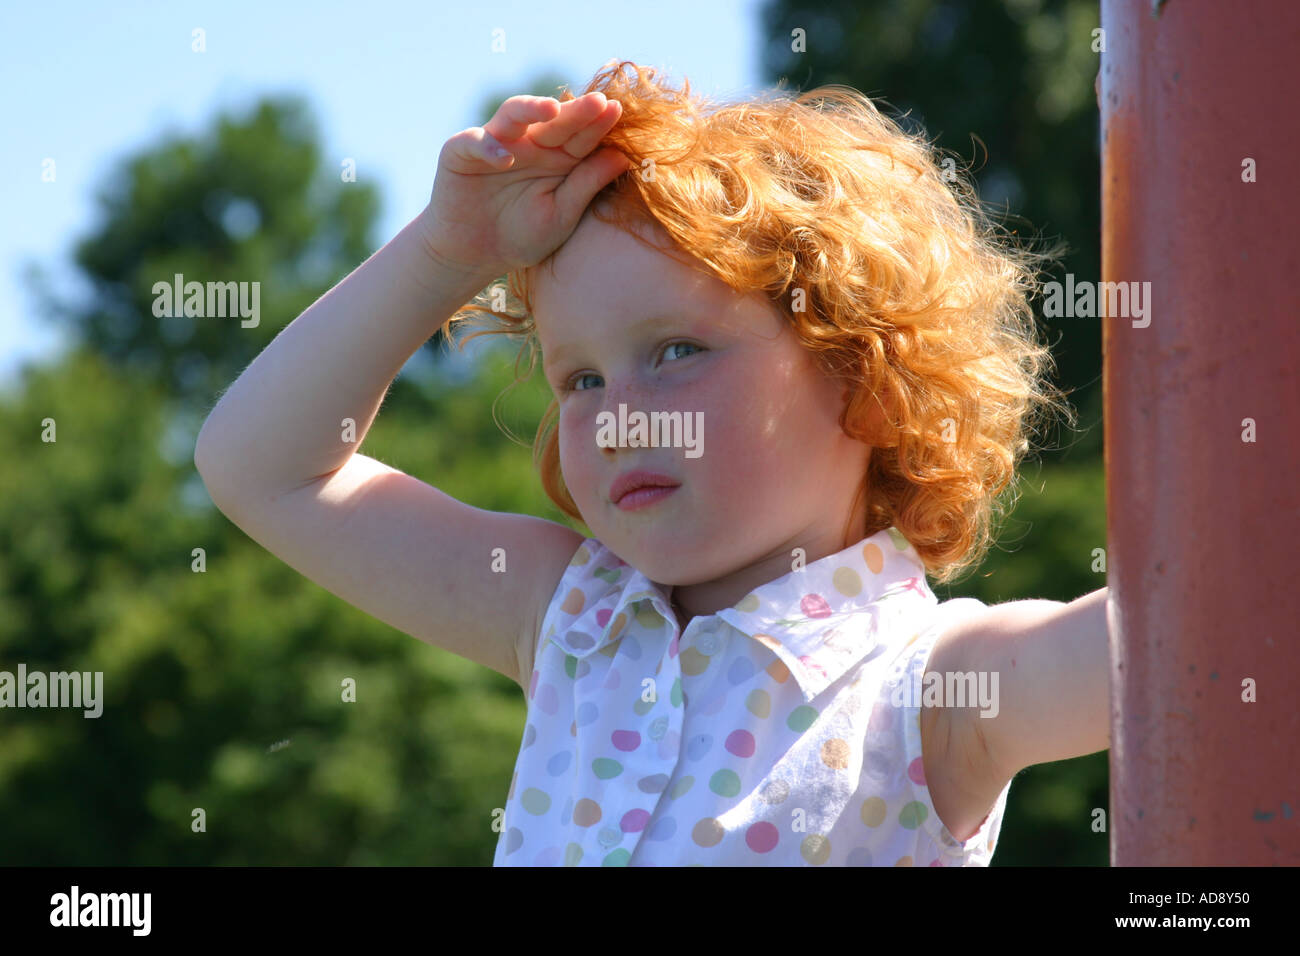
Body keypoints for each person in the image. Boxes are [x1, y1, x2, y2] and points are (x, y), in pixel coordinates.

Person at [194, 60, 1110, 866]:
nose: (619, 421)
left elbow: (1185, 630)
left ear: (866, 380)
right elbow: (262, 467)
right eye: (580, 378)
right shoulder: (572, 619)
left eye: (677, 352)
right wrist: (449, 251)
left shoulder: (932, 682)